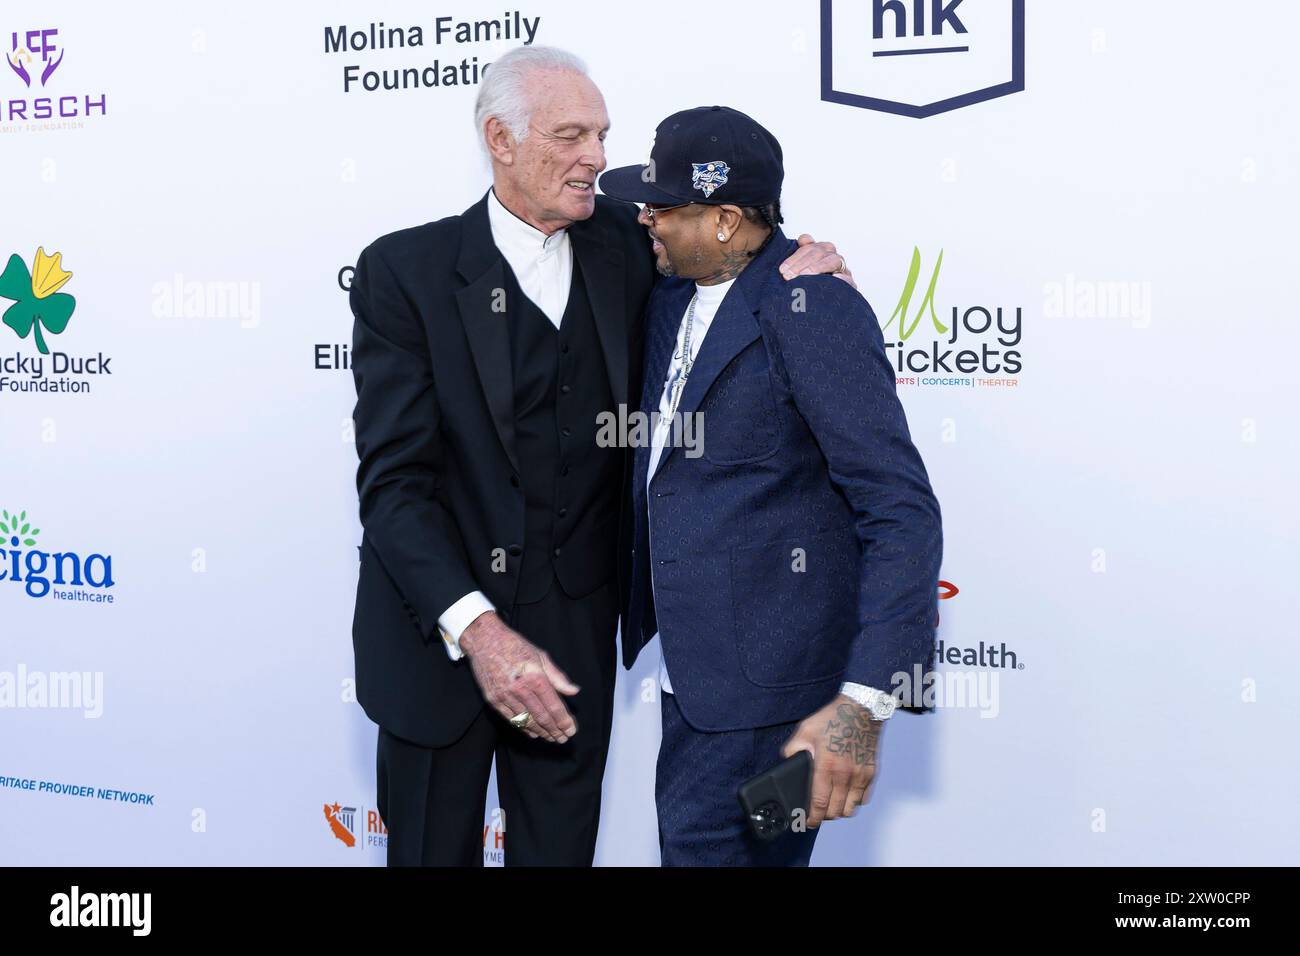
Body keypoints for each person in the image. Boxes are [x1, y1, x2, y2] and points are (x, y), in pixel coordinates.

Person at [348, 48, 851, 866]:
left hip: (573, 639)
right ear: (500, 140)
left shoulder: (630, 243)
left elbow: (736, 251)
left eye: (603, 135)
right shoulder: (404, 272)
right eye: (570, 135)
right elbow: (394, 486)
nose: (597, 159)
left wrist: (805, 269)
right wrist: (479, 632)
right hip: (436, 641)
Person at [601, 106, 944, 866]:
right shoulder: (669, 293)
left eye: (663, 208)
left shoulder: (812, 306)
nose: (645, 220)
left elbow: (900, 510)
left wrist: (863, 703)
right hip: (694, 681)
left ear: (726, 220)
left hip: (776, 698)